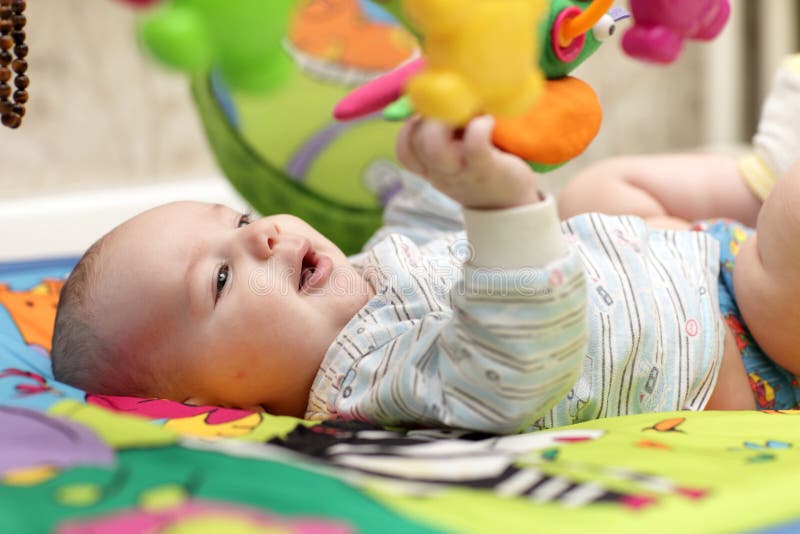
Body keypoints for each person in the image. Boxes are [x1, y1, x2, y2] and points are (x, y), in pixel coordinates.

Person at [557, 54, 800, 410]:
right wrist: (672, 248)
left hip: (737, 377)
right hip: (707, 265)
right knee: (590, 194)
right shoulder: (710, 244)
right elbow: (595, 193)